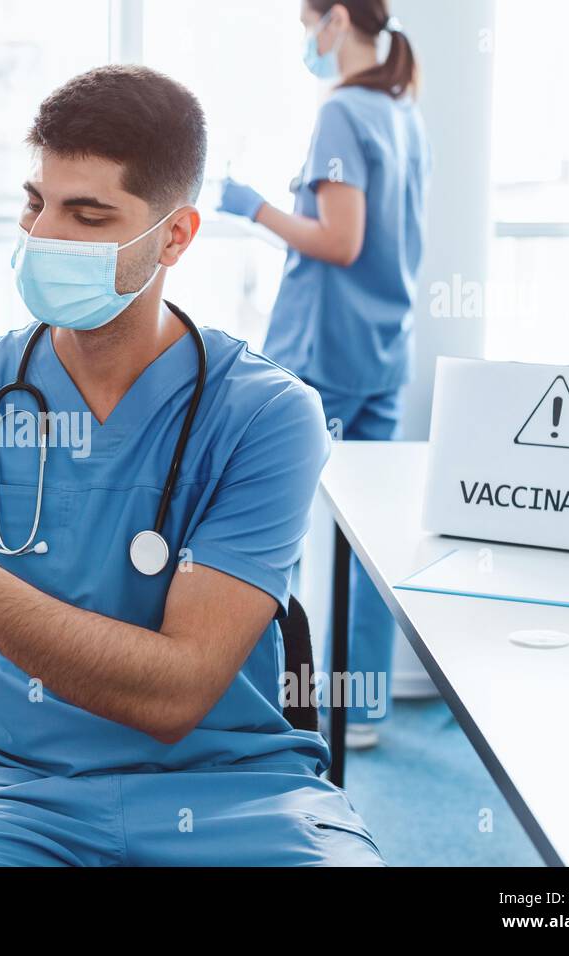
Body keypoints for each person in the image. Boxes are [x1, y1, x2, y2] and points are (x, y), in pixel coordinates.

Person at [0, 65, 383, 865]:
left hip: (243, 801)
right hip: (10, 802)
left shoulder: (267, 416)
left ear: (176, 235)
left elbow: (175, 693)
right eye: (37, 203)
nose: (45, 236)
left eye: (88, 214)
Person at [219, 0, 431, 749]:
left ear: (335, 19)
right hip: (382, 350)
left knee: (272, 529)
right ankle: (359, 710)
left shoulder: (344, 110)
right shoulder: (402, 108)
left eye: (308, 22)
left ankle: (270, 706)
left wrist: (254, 208)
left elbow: (339, 242)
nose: (307, 39)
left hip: (324, 353)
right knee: (369, 536)